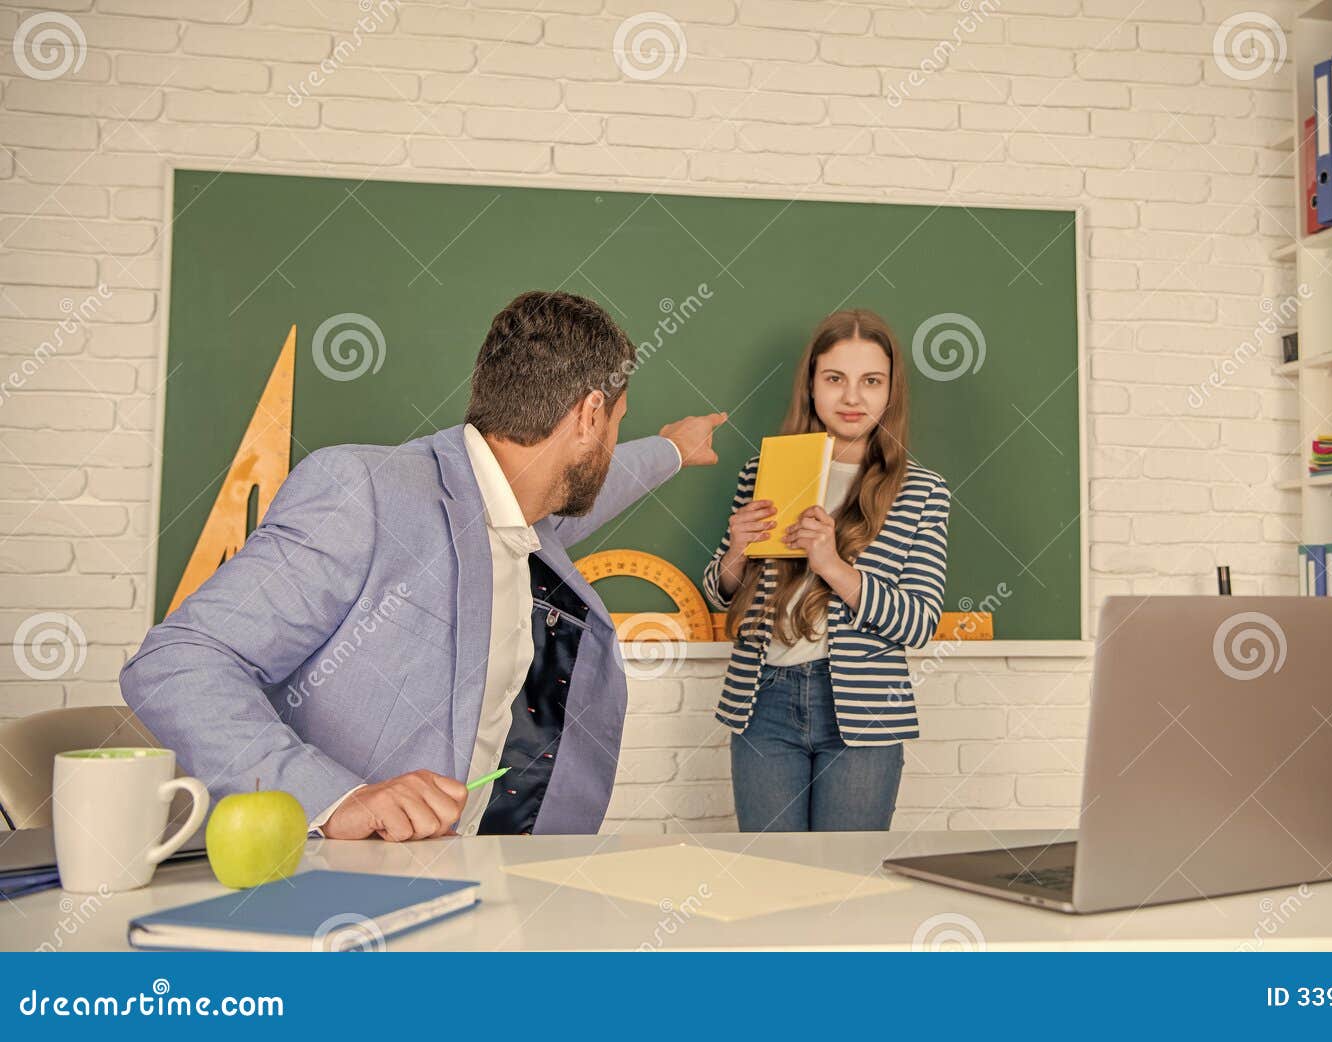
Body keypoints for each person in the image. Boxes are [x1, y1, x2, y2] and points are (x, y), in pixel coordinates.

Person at [122, 290, 725, 841]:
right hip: (351, 898)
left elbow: (592, 490)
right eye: (616, 424)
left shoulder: (523, 514)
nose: (613, 442)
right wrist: (335, 798)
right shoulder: (368, 492)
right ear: (591, 414)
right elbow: (178, 662)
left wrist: (672, 450)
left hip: (477, 873)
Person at [702, 309, 950, 832]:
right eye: (835, 379)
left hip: (863, 715)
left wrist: (833, 566)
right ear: (811, 386)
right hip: (762, 701)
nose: (852, 398)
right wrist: (735, 555)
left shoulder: (922, 491)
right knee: (771, 880)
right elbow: (719, 595)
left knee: (844, 887)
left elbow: (920, 622)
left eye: (871, 382)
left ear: (891, 392)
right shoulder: (762, 470)